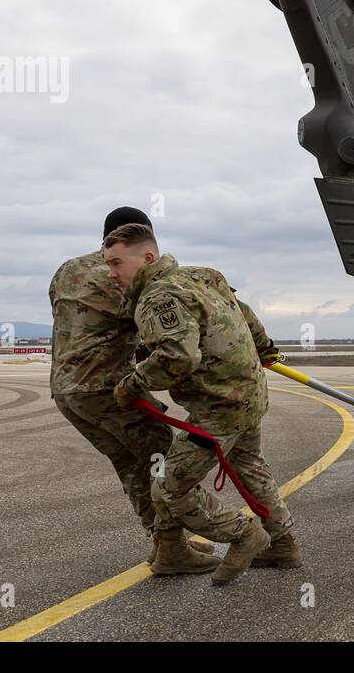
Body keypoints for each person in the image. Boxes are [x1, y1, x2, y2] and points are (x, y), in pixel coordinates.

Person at [103, 223, 298, 585]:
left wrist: (130, 385)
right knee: (250, 467)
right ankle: (284, 542)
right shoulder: (203, 276)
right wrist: (265, 347)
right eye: (107, 265)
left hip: (220, 408)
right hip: (249, 394)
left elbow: (177, 357)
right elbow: (245, 313)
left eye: (116, 263)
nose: (111, 274)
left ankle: (243, 535)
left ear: (147, 257)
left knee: (167, 486)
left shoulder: (158, 298)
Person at [49, 208, 218, 575]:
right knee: (162, 455)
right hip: (106, 388)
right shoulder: (125, 274)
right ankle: (172, 548)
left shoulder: (67, 269)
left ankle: (164, 541)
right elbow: (152, 326)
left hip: (66, 391)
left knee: (132, 464)